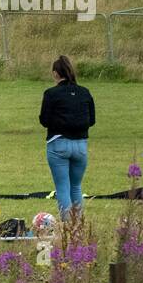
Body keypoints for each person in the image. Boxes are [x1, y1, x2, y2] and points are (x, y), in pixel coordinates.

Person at [39, 55, 95, 222]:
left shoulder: (51, 93)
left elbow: (44, 120)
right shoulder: (85, 92)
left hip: (58, 144)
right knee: (76, 187)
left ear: (56, 73)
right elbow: (91, 120)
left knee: (63, 188)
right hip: (80, 146)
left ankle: (67, 227)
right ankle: (78, 224)